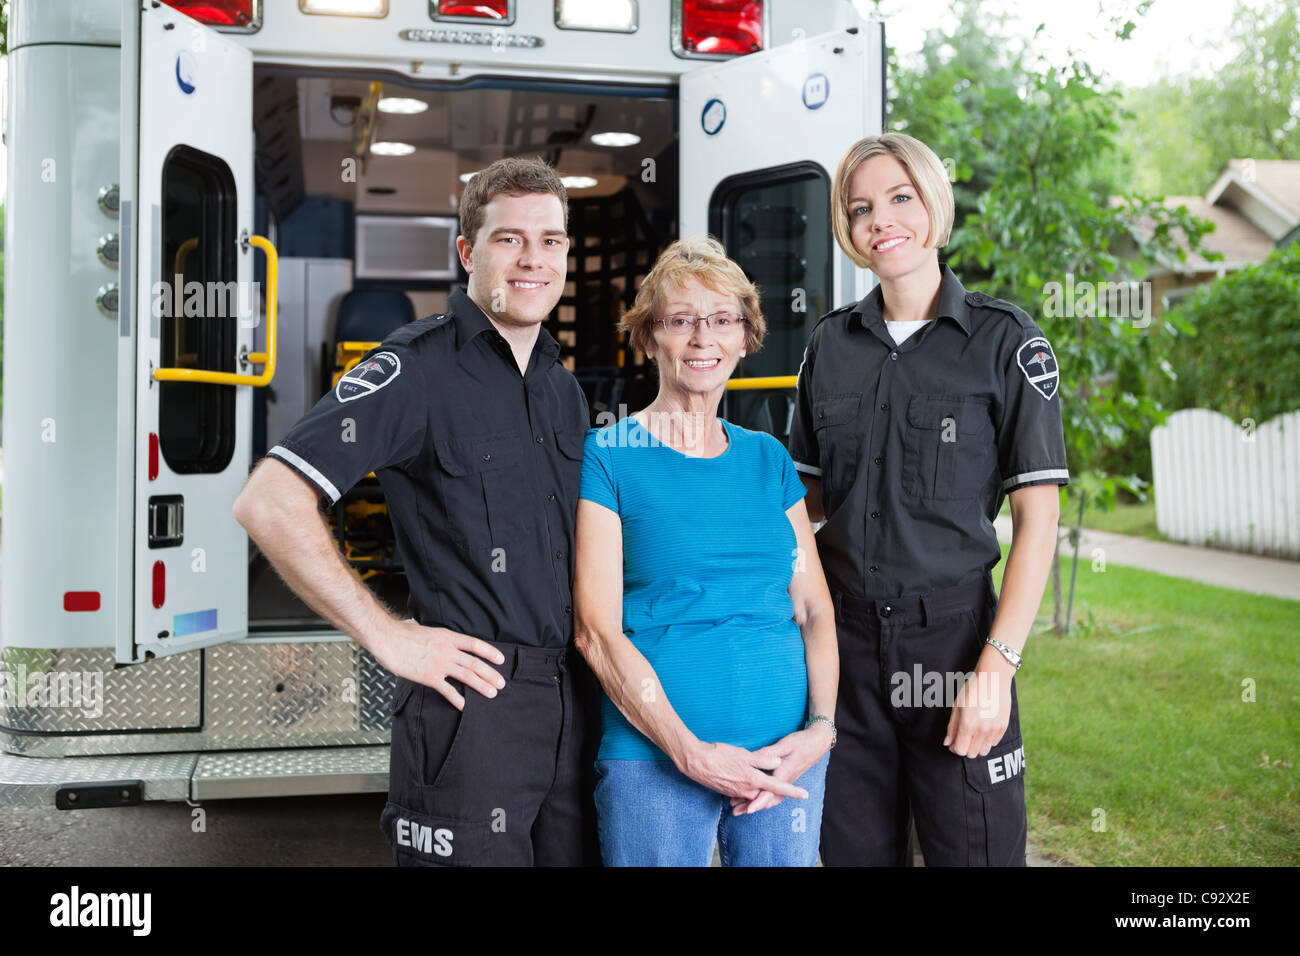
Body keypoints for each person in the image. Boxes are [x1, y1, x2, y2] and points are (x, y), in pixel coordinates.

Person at [232, 156, 600, 867]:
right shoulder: (415, 369)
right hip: (473, 708)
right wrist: (389, 635)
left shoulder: (561, 386)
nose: (534, 258)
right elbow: (270, 499)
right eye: (509, 239)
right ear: (467, 251)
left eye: (551, 240)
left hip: (575, 701)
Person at [789, 132, 1069, 866]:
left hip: (953, 643)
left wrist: (997, 667)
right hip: (843, 649)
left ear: (934, 207)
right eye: (860, 208)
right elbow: (804, 504)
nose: (880, 219)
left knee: (972, 852)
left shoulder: (1005, 342)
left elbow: (1039, 522)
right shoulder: (829, 347)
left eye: (899, 198)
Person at [574, 236, 839, 867]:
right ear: (648, 337)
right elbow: (596, 632)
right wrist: (688, 751)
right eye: (680, 320)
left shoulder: (768, 460)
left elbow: (814, 610)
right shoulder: (610, 455)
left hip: (785, 760)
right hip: (655, 759)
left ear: (746, 337)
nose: (703, 338)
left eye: (723, 320)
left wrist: (821, 732)